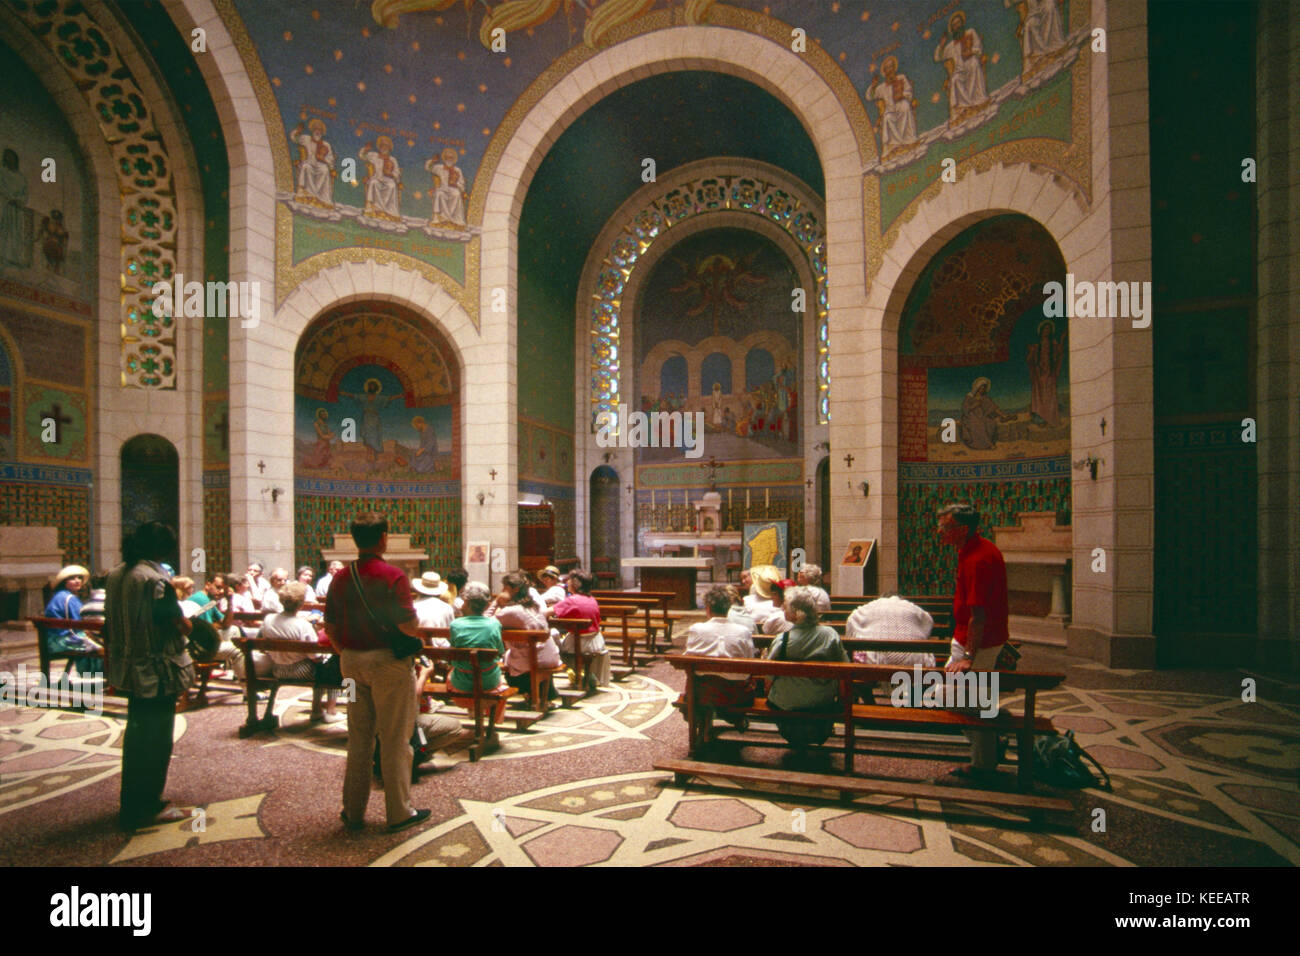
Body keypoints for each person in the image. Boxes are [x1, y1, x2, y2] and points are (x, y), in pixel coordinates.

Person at [324, 511, 429, 833]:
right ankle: (398, 812)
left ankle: (352, 811)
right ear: (383, 537)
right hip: (388, 667)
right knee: (395, 736)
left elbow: (329, 626)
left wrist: (348, 654)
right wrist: (417, 632)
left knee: (358, 736)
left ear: (355, 539)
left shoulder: (340, 578)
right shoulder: (393, 576)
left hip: (351, 666)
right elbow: (407, 624)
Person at [103, 522, 196, 830]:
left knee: (137, 736)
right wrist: (188, 626)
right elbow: (172, 622)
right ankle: (146, 806)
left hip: (127, 667)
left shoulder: (116, 575)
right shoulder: (155, 580)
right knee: (156, 740)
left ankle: (132, 801)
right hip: (156, 671)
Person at [937, 502, 1010, 782]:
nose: (939, 531)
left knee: (964, 702)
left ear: (962, 529)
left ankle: (984, 764)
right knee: (964, 699)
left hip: (976, 643)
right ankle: (989, 749)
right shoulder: (973, 550)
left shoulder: (979, 559)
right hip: (973, 640)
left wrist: (968, 655)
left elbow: (978, 614)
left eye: (945, 527)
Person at [765, 586, 848, 748]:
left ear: (796, 614)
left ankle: (795, 736)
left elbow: (769, 675)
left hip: (787, 703)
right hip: (822, 701)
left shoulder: (783, 639)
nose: (783, 608)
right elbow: (845, 668)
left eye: (786, 606)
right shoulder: (830, 635)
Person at [262, 581, 343, 723]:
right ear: (301, 604)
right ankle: (329, 710)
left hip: (278, 669)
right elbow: (316, 657)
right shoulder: (302, 625)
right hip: (302, 671)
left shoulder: (268, 620)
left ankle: (317, 709)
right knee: (334, 665)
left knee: (323, 665)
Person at [684, 586, 758, 735]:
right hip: (736, 694)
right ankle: (735, 718)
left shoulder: (696, 629)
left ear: (708, 608)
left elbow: (687, 661)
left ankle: (703, 718)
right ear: (728, 608)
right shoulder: (742, 631)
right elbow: (751, 660)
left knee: (695, 681)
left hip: (702, 692)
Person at [491, 570, 560, 704]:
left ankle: (532, 695)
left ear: (515, 589)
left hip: (533, 661)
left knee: (510, 672)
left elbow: (487, 623)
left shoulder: (512, 611)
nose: (502, 591)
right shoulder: (534, 607)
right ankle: (542, 696)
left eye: (505, 588)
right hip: (550, 656)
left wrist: (497, 602)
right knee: (516, 656)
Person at [447, 582, 509, 720]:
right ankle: (493, 723)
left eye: (463, 602)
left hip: (461, 683)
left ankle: (473, 710)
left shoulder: (456, 625)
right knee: (500, 676)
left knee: (456, 669)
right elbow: (499, 651)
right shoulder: (494, 624)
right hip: (489, 682)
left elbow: (453, 651)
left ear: (468, 603)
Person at [550, 569, 609, 694]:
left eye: (569, 580)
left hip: (579, 644)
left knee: (552, 647)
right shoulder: (592, 599)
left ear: (575, 584)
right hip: (595, 641)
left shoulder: (572, 600)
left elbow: (546, 613)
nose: (567, 583)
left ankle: (548, 684)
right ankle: (588, 677)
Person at [44, 564, 102, 675]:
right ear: (64, 582)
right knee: (103, 646)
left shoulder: (58, 596)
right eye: (72, 578)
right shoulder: (69, 599)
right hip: (64, 641)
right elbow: (82, 623)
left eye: (79, 578)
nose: (77, 581)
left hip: (53, 640)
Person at [933, 10, 989, 123]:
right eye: (954, 25)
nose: (957, 26)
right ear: (952, 29)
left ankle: (978, 100)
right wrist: (941, 45)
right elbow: (937, 58)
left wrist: (971, 52)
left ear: (962, 23)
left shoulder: (970, 33)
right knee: (955, 79)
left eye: (958, 23)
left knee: (973, 63)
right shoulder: (950, 46)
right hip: (959, 72)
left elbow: (978, 47)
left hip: (971, 62)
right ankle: (966, 107)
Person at [868, 56, 919, 157]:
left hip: (901, 104)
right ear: (884, 71)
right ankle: (893, 146)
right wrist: (873, 86)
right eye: (887, 68)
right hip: (890, 111)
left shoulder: (901, 78)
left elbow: (908, 90)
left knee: (904, 106)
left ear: (894, 68)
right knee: (887, 118)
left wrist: (902, 95)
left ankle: (908, 140)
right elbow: (870, 96)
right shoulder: (882, 87)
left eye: (891, 67)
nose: (889, 70)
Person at [291, 118, 336, 209]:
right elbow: (294, 138)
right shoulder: (306, 139)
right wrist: (297, 131)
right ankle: (306, 193)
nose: (317, 132)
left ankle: (320, 198)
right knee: (306, 167)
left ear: (322, 132)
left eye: (320, 130)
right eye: (316, 129)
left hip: (320, 165)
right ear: (312, 130)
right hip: (309, 162)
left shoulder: (326, 144)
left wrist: (324, 160)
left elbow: (330, 158)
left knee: (325, 170)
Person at [358, 136, 402, 222]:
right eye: (382, 146)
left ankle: (388, 211)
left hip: (388, 179)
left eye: (386, 146)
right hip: (377, 178)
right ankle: (374, 208)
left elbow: (397, 173)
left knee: (392, 186)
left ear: (389, 148)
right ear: (380, 147)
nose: (384, 148)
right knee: (373, 183)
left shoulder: (392, 159)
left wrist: (392, 174)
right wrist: (366, 149)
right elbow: (362, 156)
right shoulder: (374, 156)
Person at [425, 146, 468, 227]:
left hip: (453, 189)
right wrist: (433, 161)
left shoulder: (457, 170)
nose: (449, 159)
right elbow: (428, 167)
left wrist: (456, 184)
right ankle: (439, 218)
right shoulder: (440, 168)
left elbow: (462, 184)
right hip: (443, 189)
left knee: (457, 195)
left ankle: (452, 219)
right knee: (439, 194)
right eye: (447, 157)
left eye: (451, 158)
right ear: (444, 158)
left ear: (454, 159)